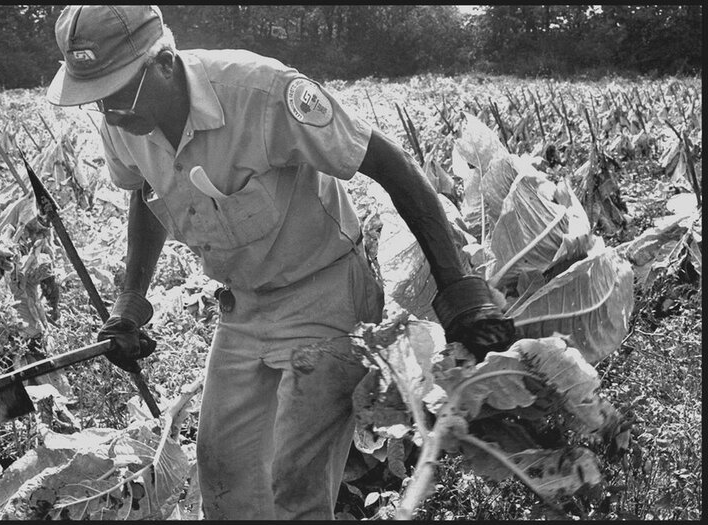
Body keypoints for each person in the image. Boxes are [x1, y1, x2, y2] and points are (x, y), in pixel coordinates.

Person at [46, 5, 514, 520]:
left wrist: (459, 290)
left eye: (118, 92)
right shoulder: (122, 119)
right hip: (243, 306)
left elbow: (391, 164)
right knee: (222, 477)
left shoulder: (263, 93)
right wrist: (131, 300)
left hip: (324, 293)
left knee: (296, 487)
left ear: (163, 63)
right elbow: (145, 191)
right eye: (97, 98)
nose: (109, 112)